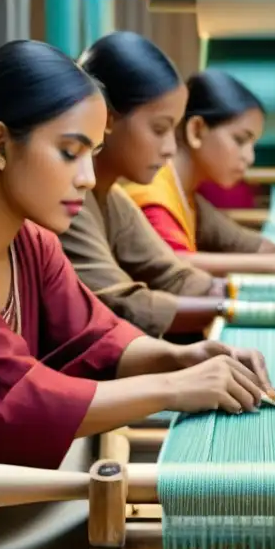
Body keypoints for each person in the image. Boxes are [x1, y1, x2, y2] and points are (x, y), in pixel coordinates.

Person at [0, 43, 275, 549]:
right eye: (70, 152)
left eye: (94, 153)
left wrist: (183, 358)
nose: (87, 177)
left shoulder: (30, 241)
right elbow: (14, 402)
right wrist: (177, 388)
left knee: (99, 479)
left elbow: (97, 338)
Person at [62, 31, 257, 338]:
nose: (169, 148)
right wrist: (238, 307)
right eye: (159, 129)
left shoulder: (113, 199)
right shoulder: (67, 202)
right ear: (107, 118)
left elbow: (172, 274)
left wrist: (250, 294)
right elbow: (123, 305)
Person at [125, 67, 275, 276]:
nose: (249, 157)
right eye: (239, 140)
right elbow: (172, 262)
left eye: (252, 145)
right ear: (197, 130)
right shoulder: (154, 194)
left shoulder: (188, 197)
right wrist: (274, 263)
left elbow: (253, 245)